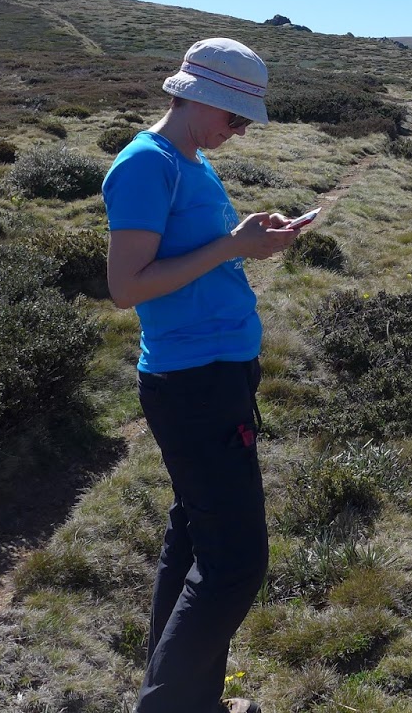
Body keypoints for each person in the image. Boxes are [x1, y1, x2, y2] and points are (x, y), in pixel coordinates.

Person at [103, 37, 306, 713]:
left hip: (215, 375)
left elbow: (201, 262)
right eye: (236, 114)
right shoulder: (146, 166)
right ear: (198, 97)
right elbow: (126, 286)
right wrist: (232, 244)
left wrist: (254, 244)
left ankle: (191, 701)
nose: (241, 128)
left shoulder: (190, 163)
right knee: (235, 565)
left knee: (195, 537)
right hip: (192, 385)